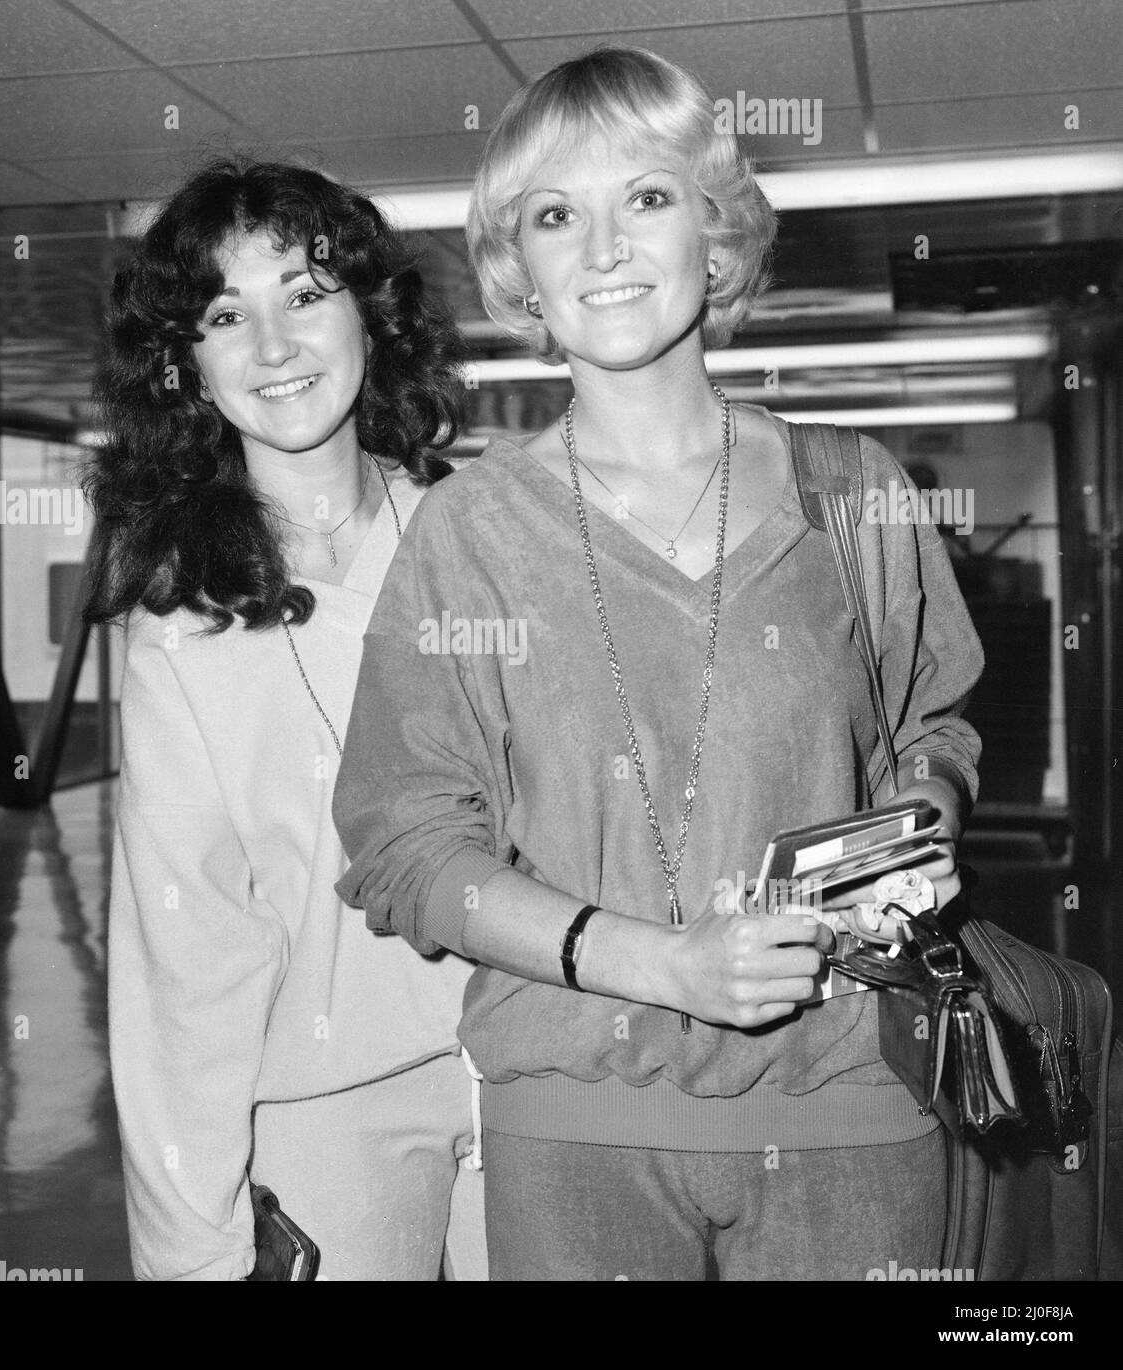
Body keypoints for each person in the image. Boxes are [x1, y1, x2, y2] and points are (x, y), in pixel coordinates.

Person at [333, 48, 984, 1281]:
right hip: (579, 1127)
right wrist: (664, 961)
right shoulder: (469, 533)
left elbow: (931, 728)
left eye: (645, 195)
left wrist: (913, 827)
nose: (603, 248)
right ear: (517, 270)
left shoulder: (855, 494)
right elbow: (405, 846)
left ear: (716, 231)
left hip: (850, 1102)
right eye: (552, 215)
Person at [85, 157, 486, 1280]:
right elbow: (186, 958)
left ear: (370, 313)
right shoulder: (183, 629)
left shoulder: (484, 540)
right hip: (324, 1105)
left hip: (531, 1062)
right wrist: (194, 1244)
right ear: (184, 365)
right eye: (225, 314)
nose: (273, 346)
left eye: (304, 294)